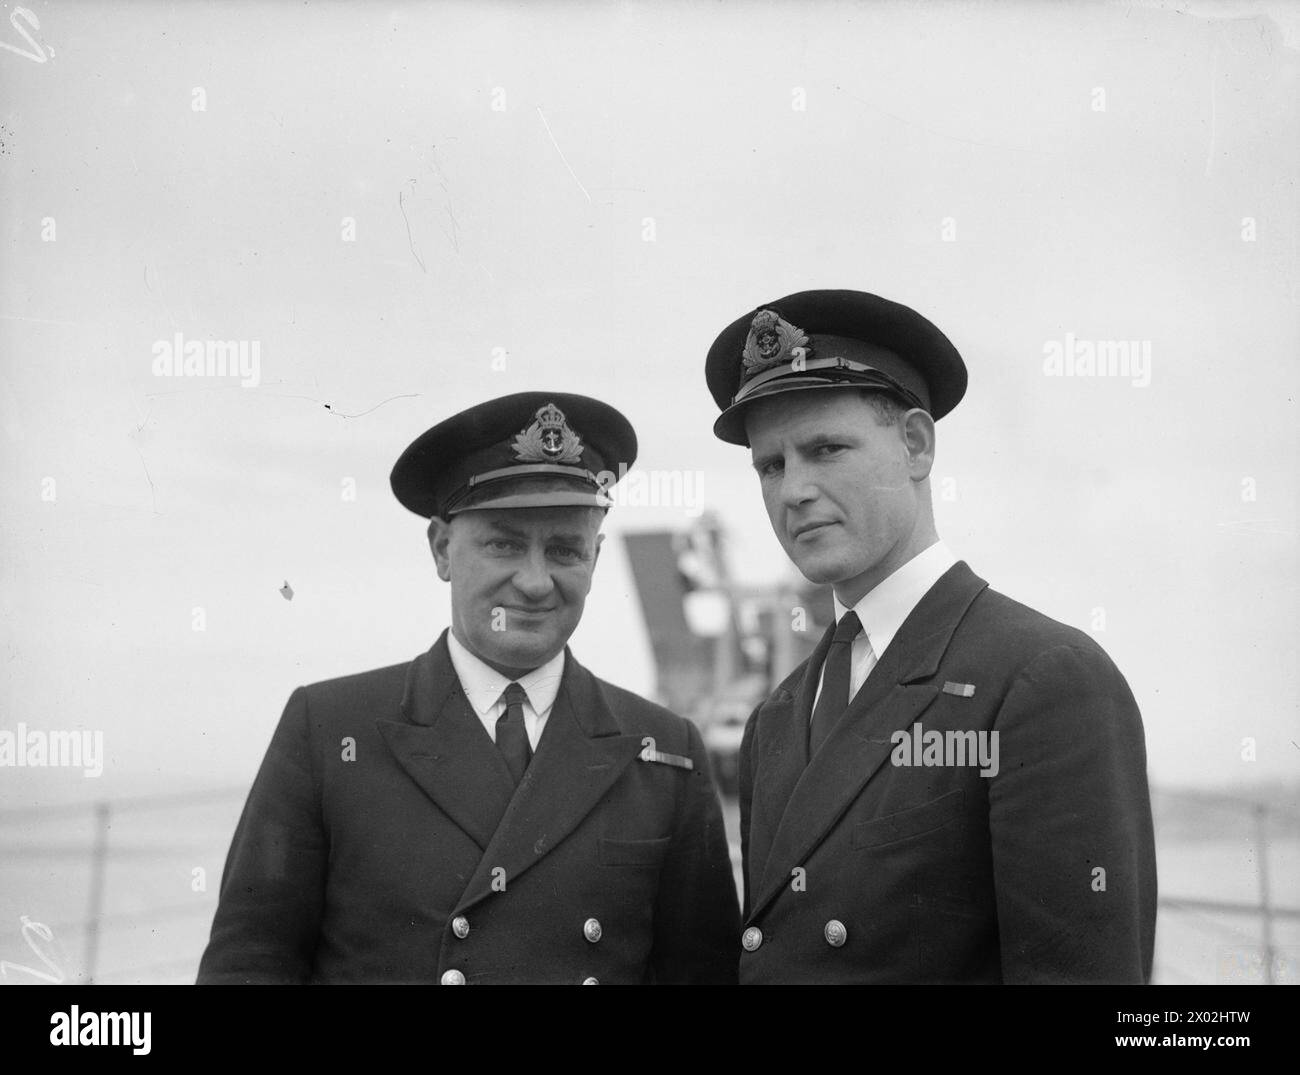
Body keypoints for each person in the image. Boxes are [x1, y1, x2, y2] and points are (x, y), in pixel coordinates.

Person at [198, 391, 739, 984]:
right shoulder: (327, 730)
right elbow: (249, 965)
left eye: (564, 550)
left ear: (595, 557)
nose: (535, 583)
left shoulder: (665, 752)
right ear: (441, 549)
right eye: (504, 544)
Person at [704, 290, 1157, 983]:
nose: (793, 489)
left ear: (916, 444)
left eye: (826, 448)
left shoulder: (1041, 680)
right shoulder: (775, 718)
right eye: (772, 464)